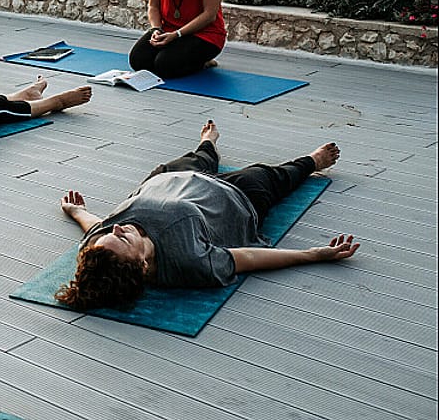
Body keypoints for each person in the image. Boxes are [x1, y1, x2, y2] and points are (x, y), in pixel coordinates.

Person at [54, 120, 358, 311]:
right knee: (267, 176)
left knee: (197, 159)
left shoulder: (97, 246)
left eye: (112, 233)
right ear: (142, 264)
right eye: (123, 238)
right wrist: (312, 255)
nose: (118, 227)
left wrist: (77, 211)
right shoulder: (189, 261)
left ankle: (208, 144)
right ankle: (312, 161)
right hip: (235, 199)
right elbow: (246, 258)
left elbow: (96, 227)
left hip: (171, 179)